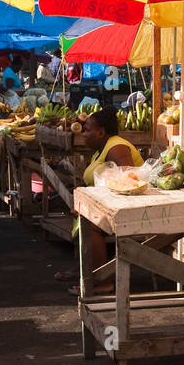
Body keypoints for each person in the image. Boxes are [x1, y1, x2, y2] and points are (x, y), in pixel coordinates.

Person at [61, 107, 143, 291]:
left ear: (101, 132)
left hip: (129, 207)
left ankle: (102, 281)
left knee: (90, 225)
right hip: (111, 205)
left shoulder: (116, 147)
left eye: (88, 130)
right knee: (82, 217)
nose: (84, 134)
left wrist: (89, 207)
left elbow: (127, 183)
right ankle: (87, 269)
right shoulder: (101, 149)